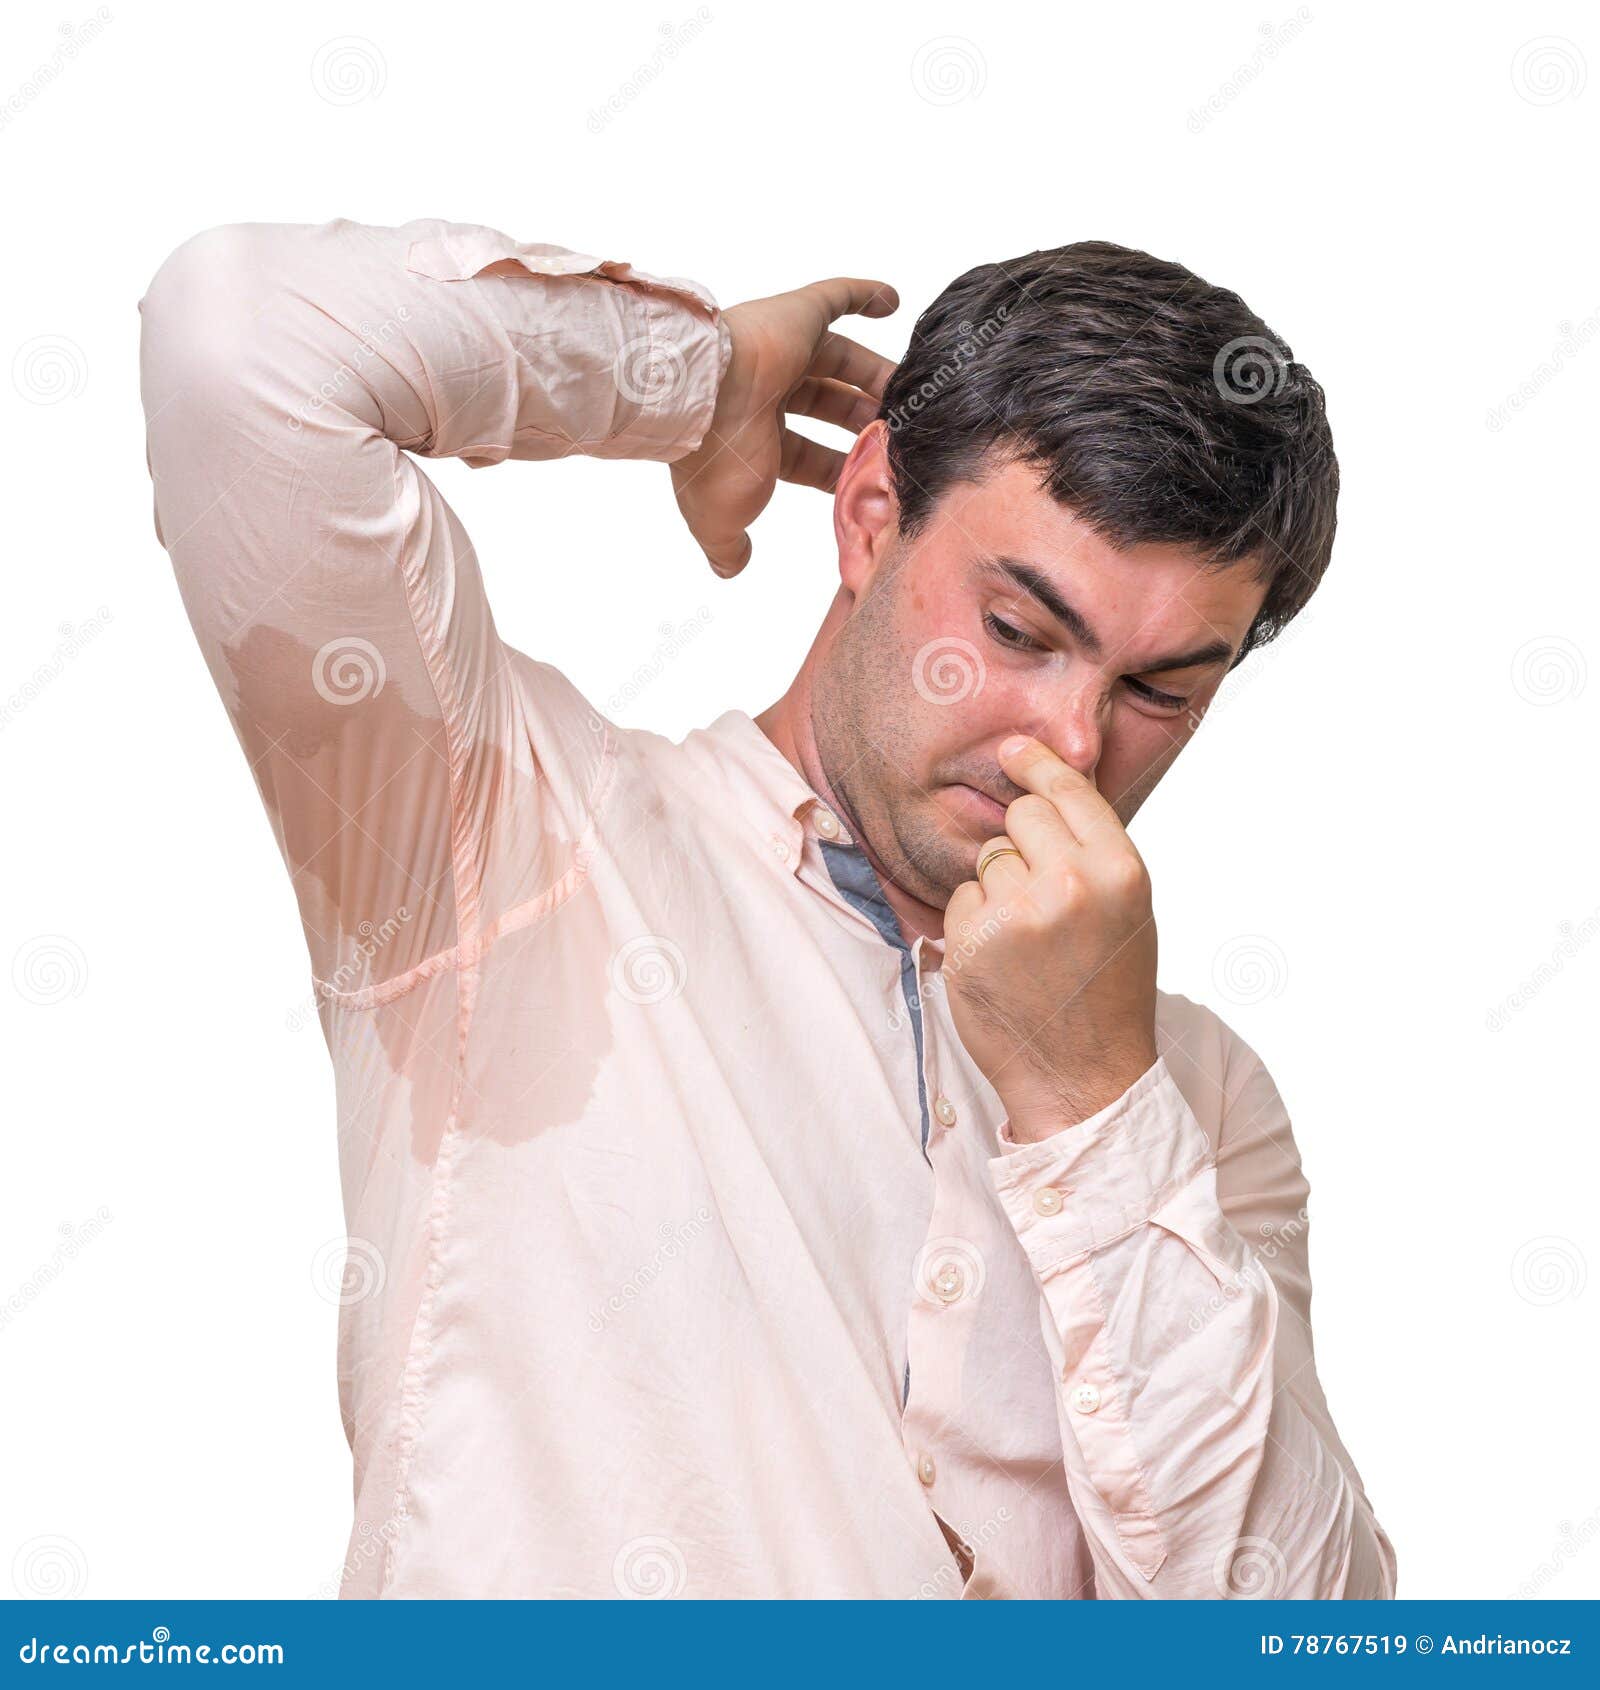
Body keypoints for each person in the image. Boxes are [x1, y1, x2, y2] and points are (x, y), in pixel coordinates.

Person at [137, 216, 1396, 1599]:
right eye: (1018, 634)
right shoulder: (506, 841)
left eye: (1160, 690)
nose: (1073, 745)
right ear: (868, 520)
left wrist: (1093, 1107)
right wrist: (696, 373)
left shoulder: (1194, 1102)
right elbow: (239, 346)